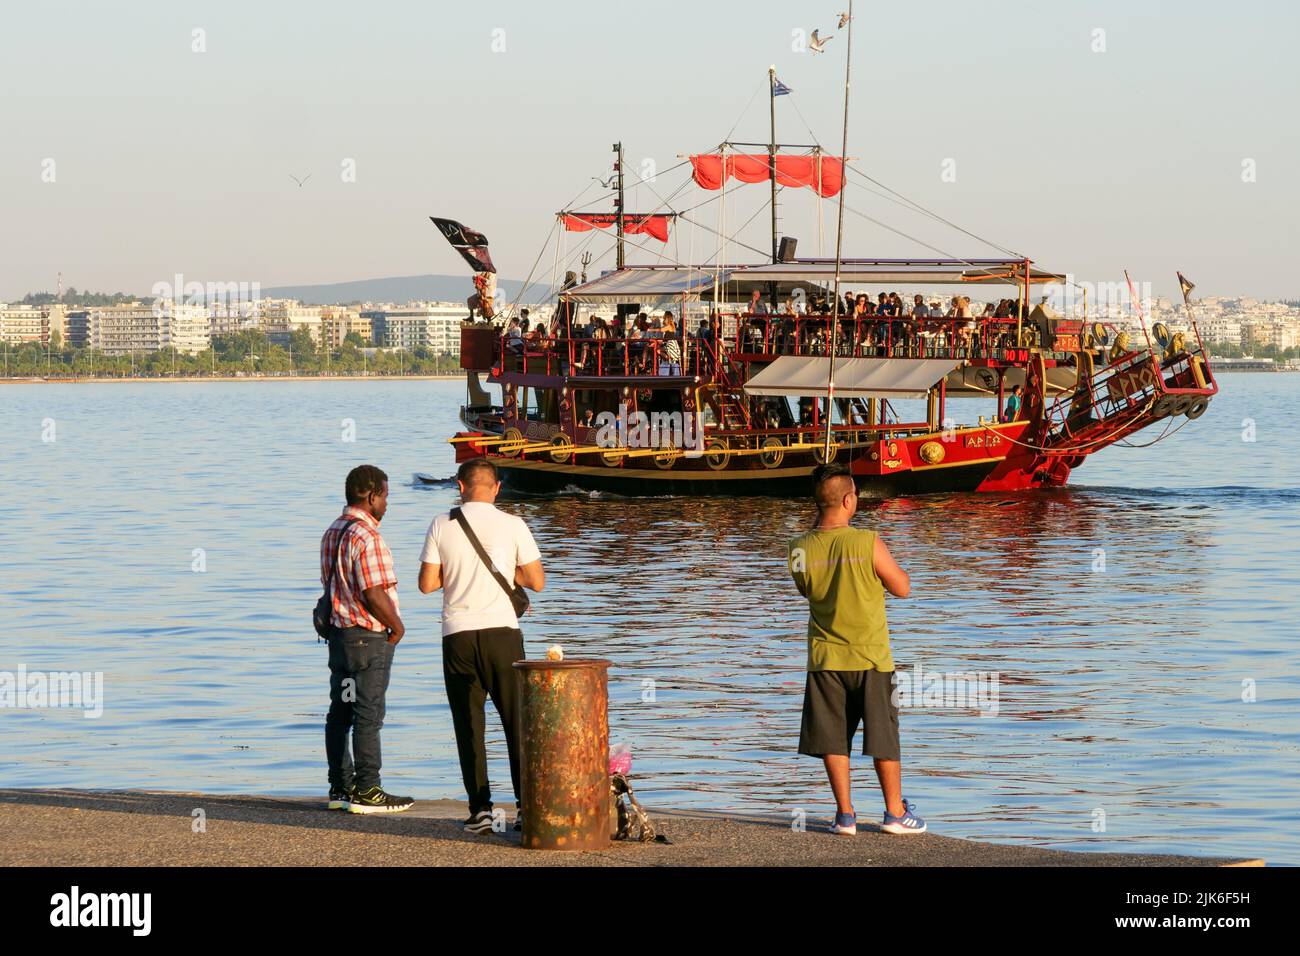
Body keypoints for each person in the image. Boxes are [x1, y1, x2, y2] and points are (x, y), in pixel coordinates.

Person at [787, 463, 926, 836]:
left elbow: (808, 591)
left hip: (824, 659)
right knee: (884, 735)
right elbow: (902, 587)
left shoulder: (797, 548)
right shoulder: (867, 542)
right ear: (850, 500)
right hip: (872, 659)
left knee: (832, 737)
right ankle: (895, 813)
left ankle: (845, 815)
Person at [418, 458, 545, 834]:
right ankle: (526, 809)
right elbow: (537, 581)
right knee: (515, 723)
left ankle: (481, 812)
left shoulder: (442, 524)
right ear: (497, 488)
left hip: (457, 636)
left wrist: (453, 571)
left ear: (459, 487)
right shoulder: (514, 524)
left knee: (469, 725)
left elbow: (427, 584)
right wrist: (508, 570)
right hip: (503, 635)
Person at [322, 465, 413, 814]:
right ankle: (369, 791)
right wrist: (397, 627)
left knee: (340, 712)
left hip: (340, 639)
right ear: (371, 496)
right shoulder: (367, 537)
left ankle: (340, 788)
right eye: (385, 496)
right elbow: (373, 593)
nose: (387, 504)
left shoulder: (333, 531)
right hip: (367, 639)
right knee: (368, 714)